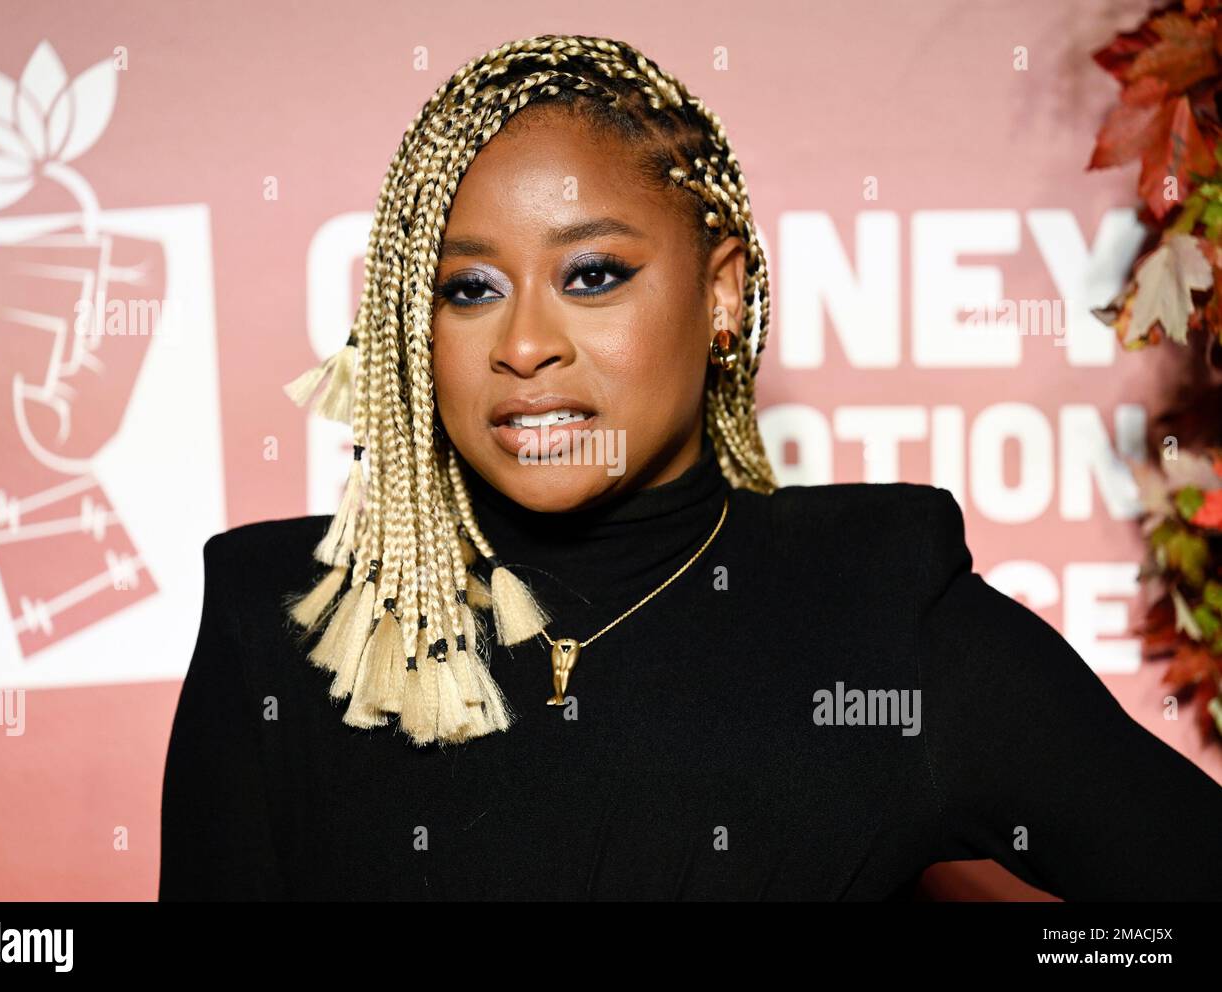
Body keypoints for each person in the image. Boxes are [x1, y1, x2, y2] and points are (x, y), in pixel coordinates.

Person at [158, 33, 1222, 900]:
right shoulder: (283, 623)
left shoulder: (873, 610)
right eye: (469, 288)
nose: (523, 344)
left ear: (719, 294)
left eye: (593, 273)